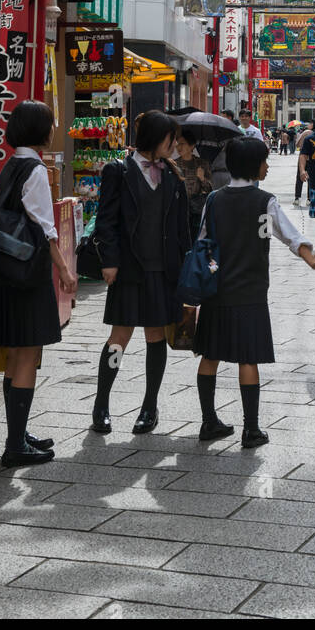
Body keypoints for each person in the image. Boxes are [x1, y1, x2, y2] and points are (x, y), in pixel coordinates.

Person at [193, 135, 315, 447]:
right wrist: (312, 259)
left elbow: (202, 240)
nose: (268, 166)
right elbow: (288, 235)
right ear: (254, 166)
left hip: (216, 288)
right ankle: (250, 429)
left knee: (210, 354)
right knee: (247, 357)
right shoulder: (263, 201)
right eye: (265, 161)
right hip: (251, 290)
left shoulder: (214, 199)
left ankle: (208, 422)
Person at [0, 101, 77, 467]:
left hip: (8, 272)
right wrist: (65, 271)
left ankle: (17, 434)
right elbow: (45, 228)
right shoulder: (34, 169)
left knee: (17, 353)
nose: (53, 129)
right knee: (27, 352)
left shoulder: (11, 166)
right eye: (50, 123)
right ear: (40, 129)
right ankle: (15, 444)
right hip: (27, 274)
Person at [90, 109, 190, 436]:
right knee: (119, 338)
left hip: (163, 270)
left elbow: (181, 229)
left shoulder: (173, 177)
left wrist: (187, 267)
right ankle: (101, 404)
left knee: (155, 336)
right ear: (153, 137)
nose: (173, 144)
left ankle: (150, 406)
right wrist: (108, 260)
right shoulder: (117, 171)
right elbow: (105, 220)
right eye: (169, 138)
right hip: (130, 269)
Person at [175, 125, 213, 240]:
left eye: (182, 143)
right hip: (178, 209)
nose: (178, 147)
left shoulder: (202, 164)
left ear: (192, 146)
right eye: (177, 143)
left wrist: (202, 178)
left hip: (196, 211)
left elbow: (210, 190)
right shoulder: (173, 164)